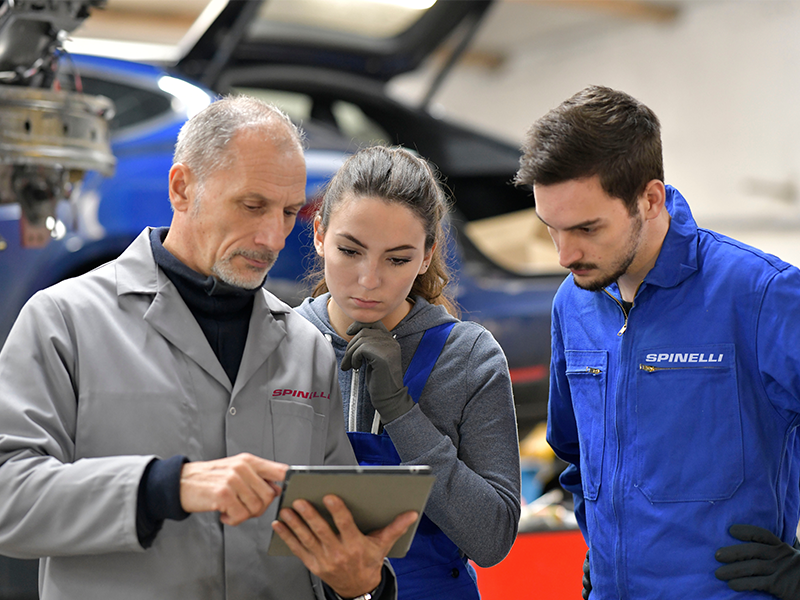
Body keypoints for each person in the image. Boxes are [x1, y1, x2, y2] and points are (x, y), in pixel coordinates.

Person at [0, 96, 417, 600]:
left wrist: (360, 586)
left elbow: (333, 533)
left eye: (288, 212)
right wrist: (165, 486)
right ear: (182, 188)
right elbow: (9, 494)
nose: (272, 237)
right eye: (252, 205)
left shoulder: (305, 347)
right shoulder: (64, 321)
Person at [514, 84, 800, 599]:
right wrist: (604, 546)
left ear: (650, 199)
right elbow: (578, 457)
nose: (564, 254)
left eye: (586, 228)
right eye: (550, 229)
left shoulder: (759, 295)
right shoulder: (572, 304)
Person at [295, 145, 521, 600]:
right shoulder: (279, 342)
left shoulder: (470, 357)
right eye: (350, 250)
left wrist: (401, 413)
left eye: (397, 259)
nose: (368, 279)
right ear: (319, 234)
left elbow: (492, 539)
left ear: (426, 255)